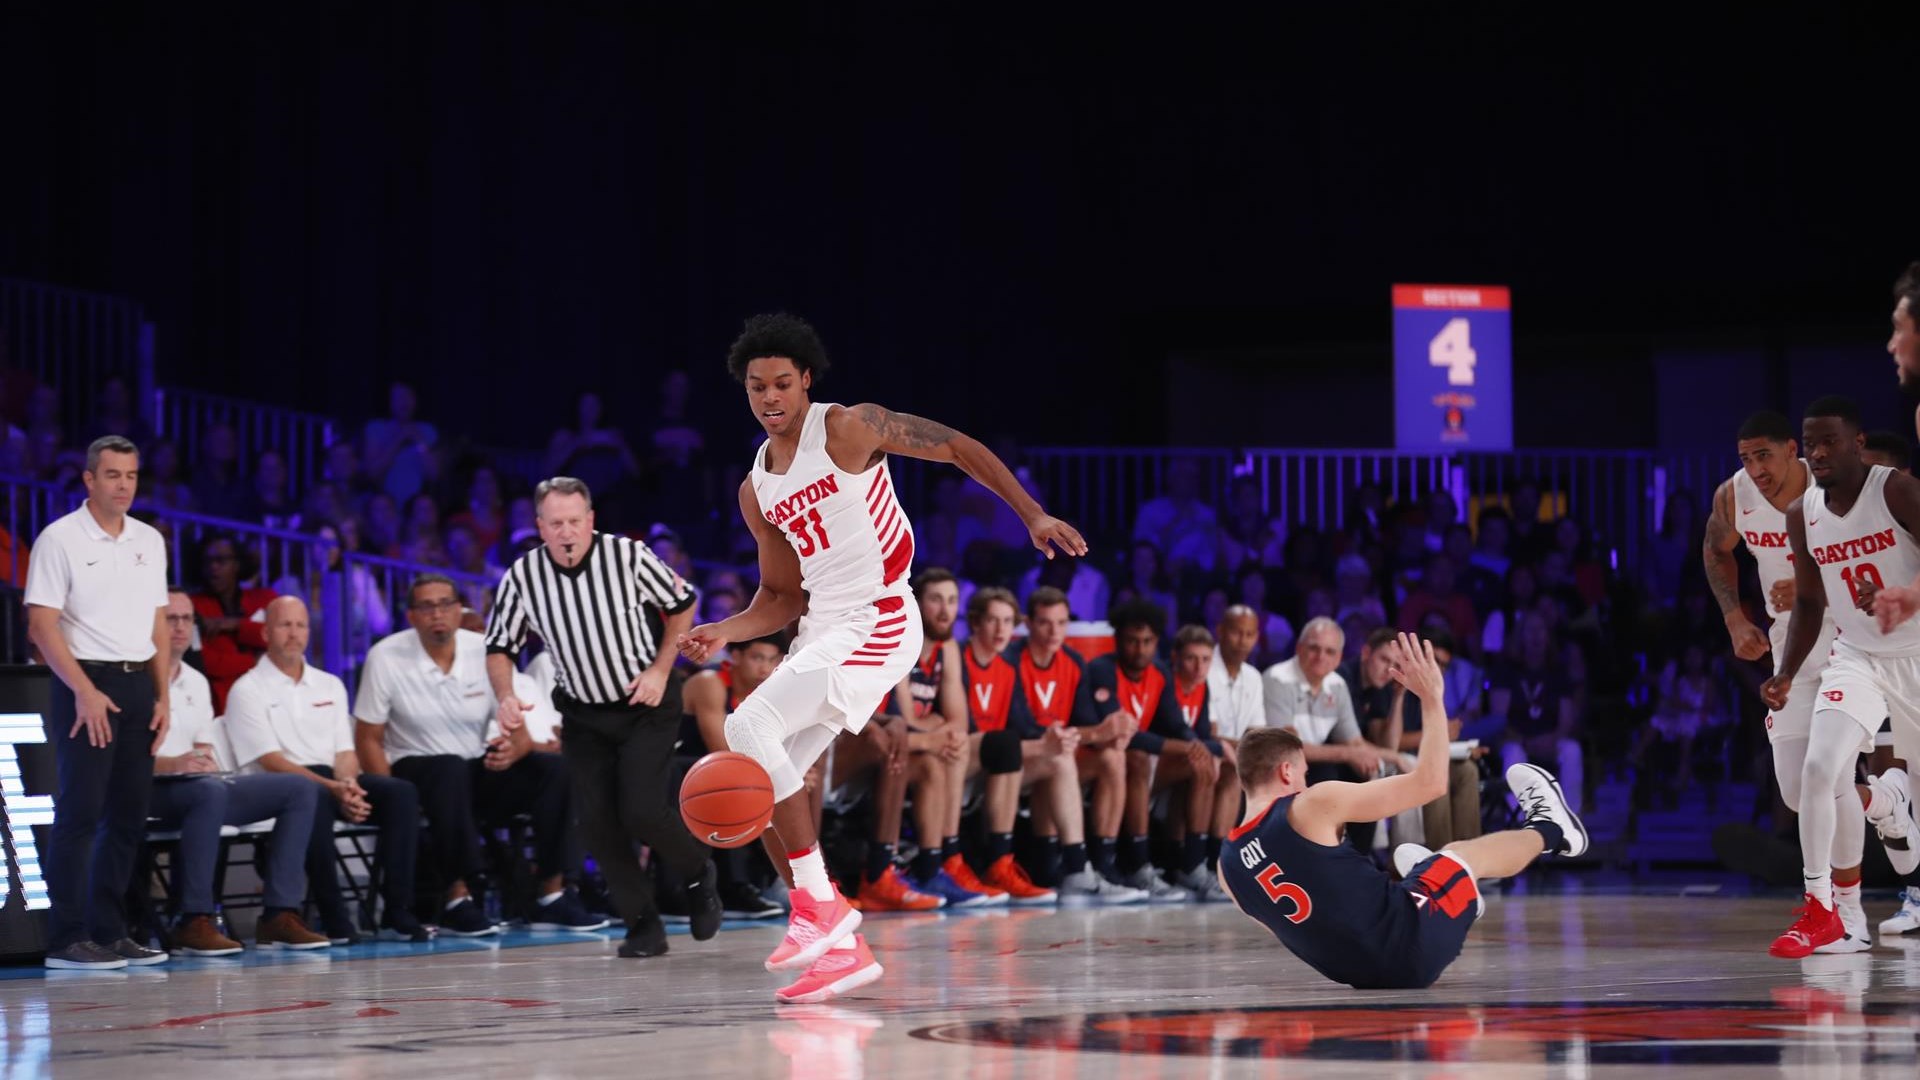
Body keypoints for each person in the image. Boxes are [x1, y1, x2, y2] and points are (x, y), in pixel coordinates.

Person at [675, 313, 1086, 1004]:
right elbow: (781, 597)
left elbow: (956, 447)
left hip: (882, 616)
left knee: (746, 725)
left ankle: (820, 908)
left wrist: (1031, 514)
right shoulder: (756, 489)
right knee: (760, 771)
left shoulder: (847, 427)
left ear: (805, 381)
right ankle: (840, 949)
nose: (770, 397)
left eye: (782, 383)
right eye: (757, 387)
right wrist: (726, 629)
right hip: (822, 629)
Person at [1219, 633, 1588, 989]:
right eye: (1303, 772)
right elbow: (1431, 784)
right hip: (1414, 941)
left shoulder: (1227, 868)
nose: (1305, 779)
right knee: (1460, 855)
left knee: (1425, 873)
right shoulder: (1310, 805)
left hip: (1362, 978)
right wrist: (1432, 699)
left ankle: (1446, 889)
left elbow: (1296, 927)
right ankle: (1554, 829)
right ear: (1286, 771)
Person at [486, 477, 721, 959]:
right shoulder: (522, 577)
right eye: (556, 524)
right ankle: (643, 924)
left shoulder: (627, 556)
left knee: (641, 809)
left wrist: (661, 670)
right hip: (583, 713)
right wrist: (505, 695)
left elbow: (682, 606)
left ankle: (699, 873)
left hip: (646, 702)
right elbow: (499, 646)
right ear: (540, 527)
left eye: (575, 521)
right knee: (596, 823)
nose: (566, 532)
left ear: (590, 520)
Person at [355, 574, 605, 935]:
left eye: (445, 604)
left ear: (459, 609)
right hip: (415, 767)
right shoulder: (385, 656)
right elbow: (367, 738)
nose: (437, 613)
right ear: (411, 616)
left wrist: (513, 750)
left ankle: (552, 893)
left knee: (556, 769)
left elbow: (516, 723)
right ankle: (458, 898)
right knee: (449, 768)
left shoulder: (486, 649)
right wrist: (395, 797)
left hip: (472, 768)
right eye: (426, 606)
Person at [1762, 396, 1920, 957]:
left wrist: (1904, 596)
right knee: (1819, 767)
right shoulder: (1801, 513)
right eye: (1811, 444)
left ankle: (1891, 806)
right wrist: (1785, 672)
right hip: (1857, 656)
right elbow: (1809, 602)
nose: (1820, 453)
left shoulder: (1897, 491)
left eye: (1830, 441)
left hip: (1917, 652)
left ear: (1858, 443)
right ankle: (1822, 909)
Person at [24, 436, 173, 970]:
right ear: (89, 479)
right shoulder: (59, 538)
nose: (124, 485)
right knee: (81, 813)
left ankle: (110, 932)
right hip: (85, 682)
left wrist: (164, 695)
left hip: (138, 683)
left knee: (128, 817)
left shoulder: (149, 540)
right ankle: (66, 938)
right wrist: (83, 690)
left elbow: (158, 622)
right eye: (113, 475)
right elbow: (41, 625)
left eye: (131, 475)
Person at [225, 597, 430, 944]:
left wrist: (348, 786)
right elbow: (270, 760)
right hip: (282, 789)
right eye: (284, 625)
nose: (294, 633)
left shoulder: (330, 684)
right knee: (310, 795)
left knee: (401, 794)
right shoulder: (246, 689)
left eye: (301, 625)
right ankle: (335, 918)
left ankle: (397, 910)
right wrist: (332, 787)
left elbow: (345, 750)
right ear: (265, 633)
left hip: (333, 781)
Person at [150, 588, 330, 954]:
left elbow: (203, 744)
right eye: (171, 619)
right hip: (151, 790)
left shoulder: (196, 681)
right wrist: (174, 764)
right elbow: (123, 759)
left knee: (298, 788)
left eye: (187, 619)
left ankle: (279, 914)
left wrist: (203, 761)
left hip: (200, 787)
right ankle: (192, 919)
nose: (181, 627)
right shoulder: (136, 679)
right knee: (209, 792)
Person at [1013, 586, 1145, 902]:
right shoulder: (1012, 659)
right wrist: (1093, 733)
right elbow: (1020, 727)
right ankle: (1068, 866)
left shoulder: (1072, 661)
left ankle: (1102, 865)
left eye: (1061, 623)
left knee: (1112, 757)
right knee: (1057, 757)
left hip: (1057, 752)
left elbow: (1085, 722)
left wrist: (1112, 731)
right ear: (1028, 623)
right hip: (1018, 758)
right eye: (1045, 622)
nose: (1054, 631)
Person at [682, 632, 818, 918]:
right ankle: (736, 887)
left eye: (771, 660)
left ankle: (800, 876)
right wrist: (784, 777)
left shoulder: (767, 695)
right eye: (757, 658)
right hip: (685, 771)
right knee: (740, 787)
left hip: (729, 773)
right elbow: (722, 751)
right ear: (735, 657)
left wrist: (793, 775)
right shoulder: (710, 683)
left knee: (801, 782)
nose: (764, 668)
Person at [1088, 599, 1213, 902]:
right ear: (1118, 639)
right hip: (1097, 761)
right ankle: (1137, 865)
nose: (1140, 649)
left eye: (1147, 641)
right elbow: (1122, 735)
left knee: (1205, 763)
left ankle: (1193, 865)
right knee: (1137, 758)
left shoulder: (1159, 673)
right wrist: (1186, 745)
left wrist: (1195, 746)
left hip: (1137, 769)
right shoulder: (1101, 670)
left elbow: (1175, 723)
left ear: (1157, 642)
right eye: (1132, 640)